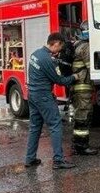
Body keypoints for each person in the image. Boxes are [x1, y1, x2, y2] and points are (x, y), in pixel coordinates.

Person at [26, 32, 77, 169]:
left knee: (35, 127)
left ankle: (30, 159)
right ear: (55, 43)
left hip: (32, 94)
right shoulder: (49, 60)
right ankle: (58, 160)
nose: (60, 51)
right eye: (60, 47)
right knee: (55, 125)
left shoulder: (35, 54)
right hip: (43, 96)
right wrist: (74, 77)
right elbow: (60, 81)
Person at [71, 22, 99, 156]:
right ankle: (81, 147)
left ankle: (78, 144)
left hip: (78, 87)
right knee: (83, 116)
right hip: (83, 88)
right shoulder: (85, 47)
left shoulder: (77, 45)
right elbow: (92, 68)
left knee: (80, 115)